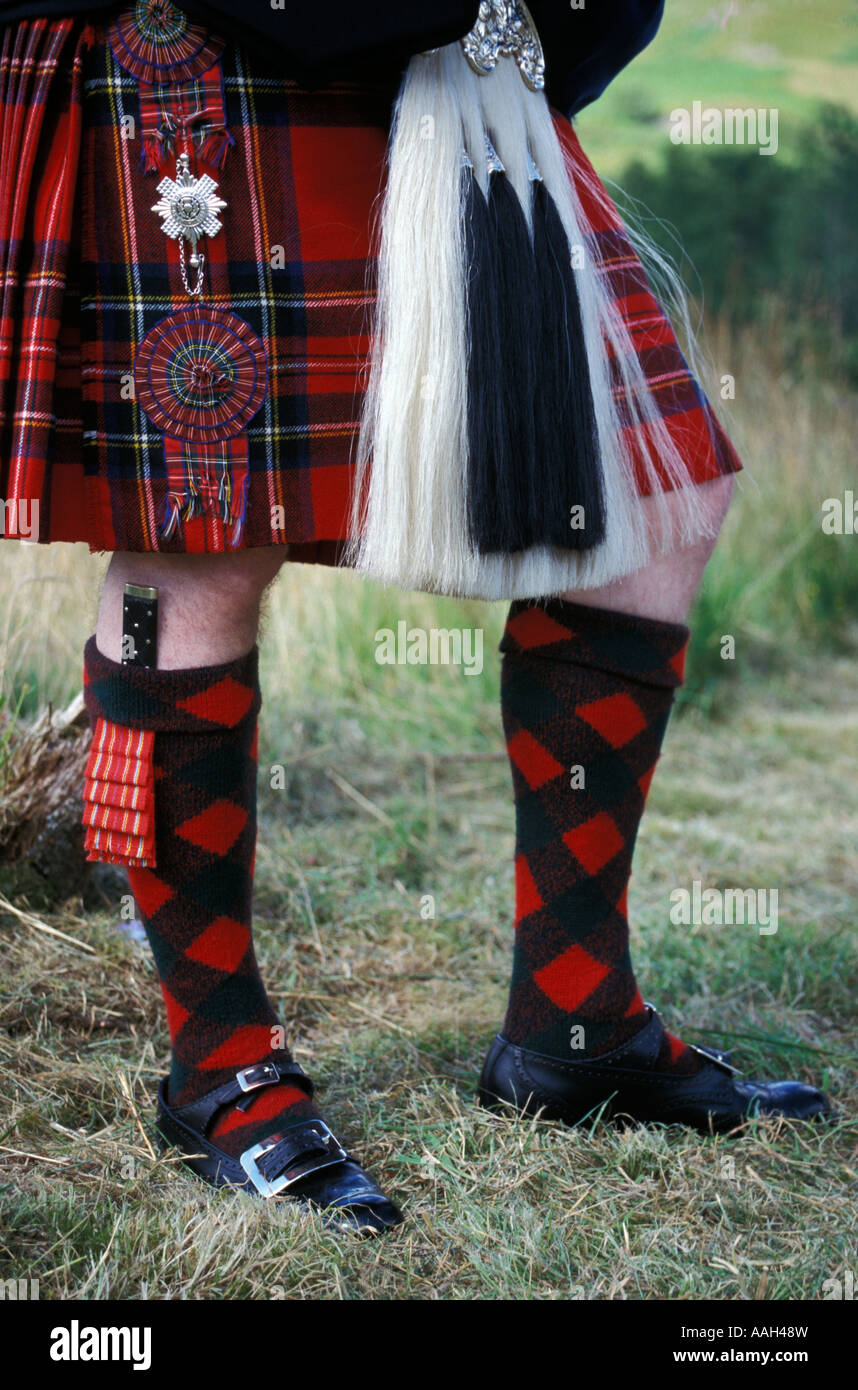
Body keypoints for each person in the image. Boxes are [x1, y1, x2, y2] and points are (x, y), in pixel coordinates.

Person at [0, 0, 829, 1238]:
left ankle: (575, 1024)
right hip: (203, 50)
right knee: (199, 543)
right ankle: (221, 1064)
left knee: (655, 495)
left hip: (474, 73)